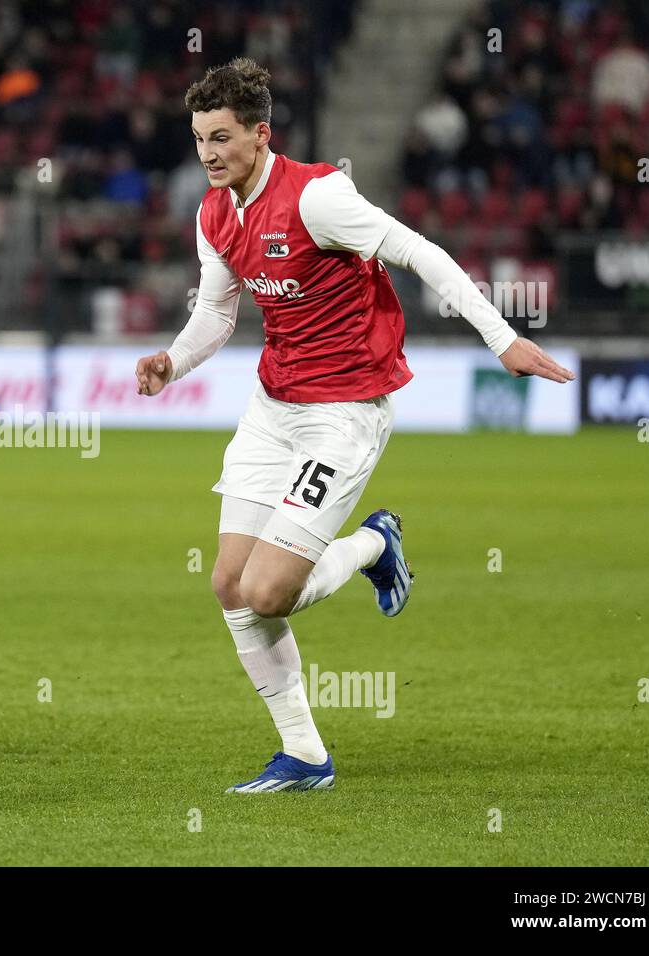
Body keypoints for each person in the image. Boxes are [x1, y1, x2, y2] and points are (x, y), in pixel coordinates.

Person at [135, 59, 574, 793]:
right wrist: (172, 363)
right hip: (273, 408)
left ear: (260, 134)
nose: (207, 153)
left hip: (343, 414)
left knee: (267, 591)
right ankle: (304, 756)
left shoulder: (318, 197)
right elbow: (216, 312)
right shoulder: (216, 213)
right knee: (228, 586)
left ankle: (375, 541)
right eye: (199, 139)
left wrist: (503, 339)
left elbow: (420, 253)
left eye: (220, 137)